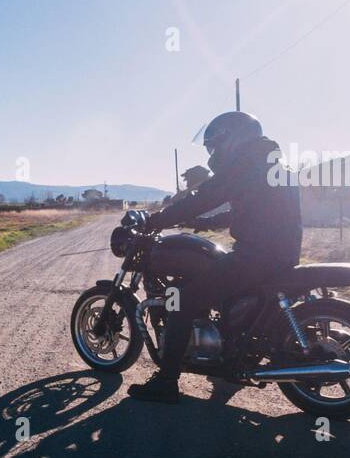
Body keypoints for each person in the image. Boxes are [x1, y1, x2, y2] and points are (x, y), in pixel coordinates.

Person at [127, 111, 302, 404]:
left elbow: (205, 196)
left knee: (182, 302)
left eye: (214, 145)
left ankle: (166, 382)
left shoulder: (246, 164)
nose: (212, 153)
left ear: (231, 138)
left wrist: (156, 220)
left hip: (256, 256)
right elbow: (250, 210)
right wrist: (207, 224)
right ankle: (232, 355)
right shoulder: (270, 164)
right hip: (278, 254)